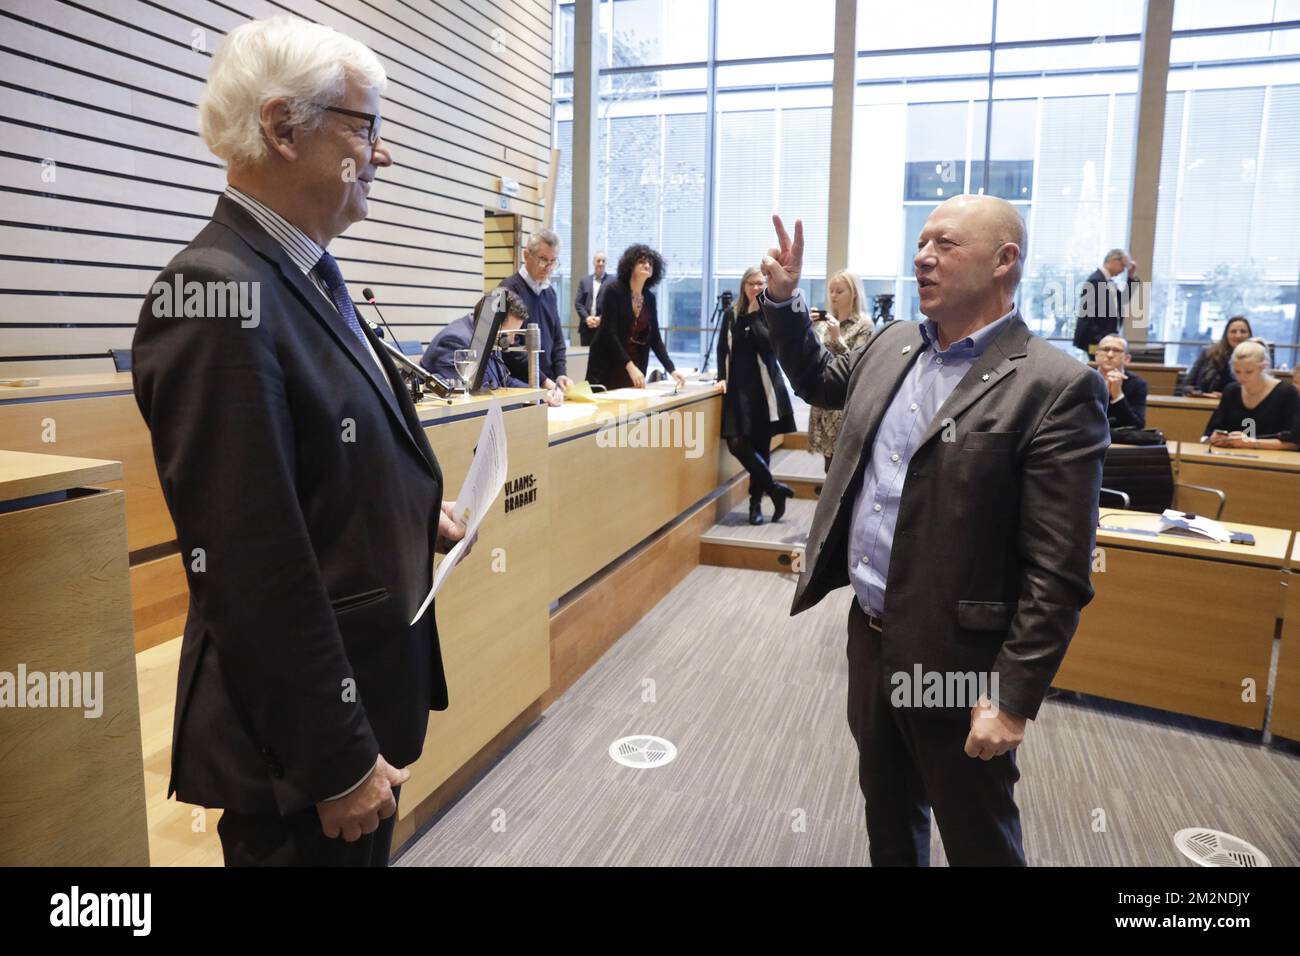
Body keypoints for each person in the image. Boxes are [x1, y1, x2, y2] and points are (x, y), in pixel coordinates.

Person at [131, 16, 474, 866]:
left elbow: (319, 465)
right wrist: (336, 760)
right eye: (367, 128)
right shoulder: (212, 294)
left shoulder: (303, 271)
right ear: (285, 128)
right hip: (302, 756)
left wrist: (407, 516)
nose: (383, 156)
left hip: (355, 706)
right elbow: (249, 563)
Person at [760, 196, 1108, 866]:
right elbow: (818, 379)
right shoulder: (892, 344)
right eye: (921, 243)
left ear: (1005, 261)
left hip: (959, 662)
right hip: (871, 635)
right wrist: (781, 302)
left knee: (976, 834)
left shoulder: (1055, 386)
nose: (923, 256)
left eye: (945, 244)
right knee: (887, 812)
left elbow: (1058, 569)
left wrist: (1011, 698)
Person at [718, 267, 797, 525]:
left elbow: (769, 347)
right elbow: (723, 349)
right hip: (737, 391)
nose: (755, 287)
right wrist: (721, 376)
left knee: (761, 447)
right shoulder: (731, 315)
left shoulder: (770, 314)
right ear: (743, 286)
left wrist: (754, 315)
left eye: (759, 283)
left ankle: (755, 505)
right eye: (751, 283)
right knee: (737, 444)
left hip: (763, 391)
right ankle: (774, 489)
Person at [421, 290, 563, 405]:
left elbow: (503, 381)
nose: (513, 340)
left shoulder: (487, 335)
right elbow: (473, 394)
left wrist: (539, 393)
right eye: (510, 334)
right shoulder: (455, 341)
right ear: (492, 323)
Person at [586, 244, 687, 392]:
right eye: (642, 261)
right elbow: (609, 333)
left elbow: (655, 339)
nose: (647, 265)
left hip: (636, 365)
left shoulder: (649, 298)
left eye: (650, 263)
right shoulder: (614, 291)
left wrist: (672, 369)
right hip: (610, 363)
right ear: (630, 265)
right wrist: (630, 366)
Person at [808, 270, 873, 473]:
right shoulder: (825, 323)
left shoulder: (864, 325)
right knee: (828, 463)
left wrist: (837, 339)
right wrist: (807, 330)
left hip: (844, 402)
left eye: (839, 291)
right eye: (831, 291)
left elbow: (857, 364)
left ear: (853, 293)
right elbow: (814, 359)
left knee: (841, 466)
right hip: (822, 401)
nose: (834, 295)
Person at [499, 229, 574, 393]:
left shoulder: (550, 293)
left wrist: (561, 374)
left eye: (553, 261)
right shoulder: (507, 290)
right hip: (519, 386)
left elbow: (558, 341)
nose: (548, 267)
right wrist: (544, 381)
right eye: (543, 260)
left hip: (548, 384)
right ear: (526, 255)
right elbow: (509, 349)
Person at [1201, 339, 1299, 451]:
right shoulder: (1231, 391)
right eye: (1237, 372)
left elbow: (1294, 442)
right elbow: (1210, 432)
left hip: (1272, 462)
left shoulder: (1286, 393)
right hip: (1232, 458)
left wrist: (1250, 442)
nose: (1242, 378)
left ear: (1263, 367)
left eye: (1249, 372)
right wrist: (1216, 437)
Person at [1073, 248, 1138, 353]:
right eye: (1123, 266)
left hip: (1105, 339)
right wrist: (1100, 340)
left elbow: (1123, 300)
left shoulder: (1108, 281)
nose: (1123, 271)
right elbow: (1088, 316)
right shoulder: (1096, 281)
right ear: (1114, 261)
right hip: (1097, 341)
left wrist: (1131, 277)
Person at [1093, 333, 1147, 431]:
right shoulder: (1083, 378)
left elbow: (1137, 425)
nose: (1110, 355)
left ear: (1127, 359)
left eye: (1117, 351)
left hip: (1119, 441)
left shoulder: (1138, 384)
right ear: (1096, 356)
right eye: (1105, 349)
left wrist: (1117, 396)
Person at [1187, 315, 1252, 397]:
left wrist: (1227, 397)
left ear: (1249, 335)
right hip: (1206, 403)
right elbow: (1187, 385)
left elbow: (1260, 391)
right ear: (1226, 335)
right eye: (1233, 331)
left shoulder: (1257, 358)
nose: (1238, 335)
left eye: (1243, 331)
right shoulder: (1208, 353)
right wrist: (1203, 395)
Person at [574, 251, 607, 347]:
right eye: (598, 261)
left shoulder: (612, 282)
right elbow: (578, 303)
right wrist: (587, 318)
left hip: (604, 329)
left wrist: (600, 319)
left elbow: (613, 305)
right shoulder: (584, 281)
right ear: (593, 262)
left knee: (602, 359)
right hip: (586, 328)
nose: (601, 263)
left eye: (603, 261)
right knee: (585, 358)